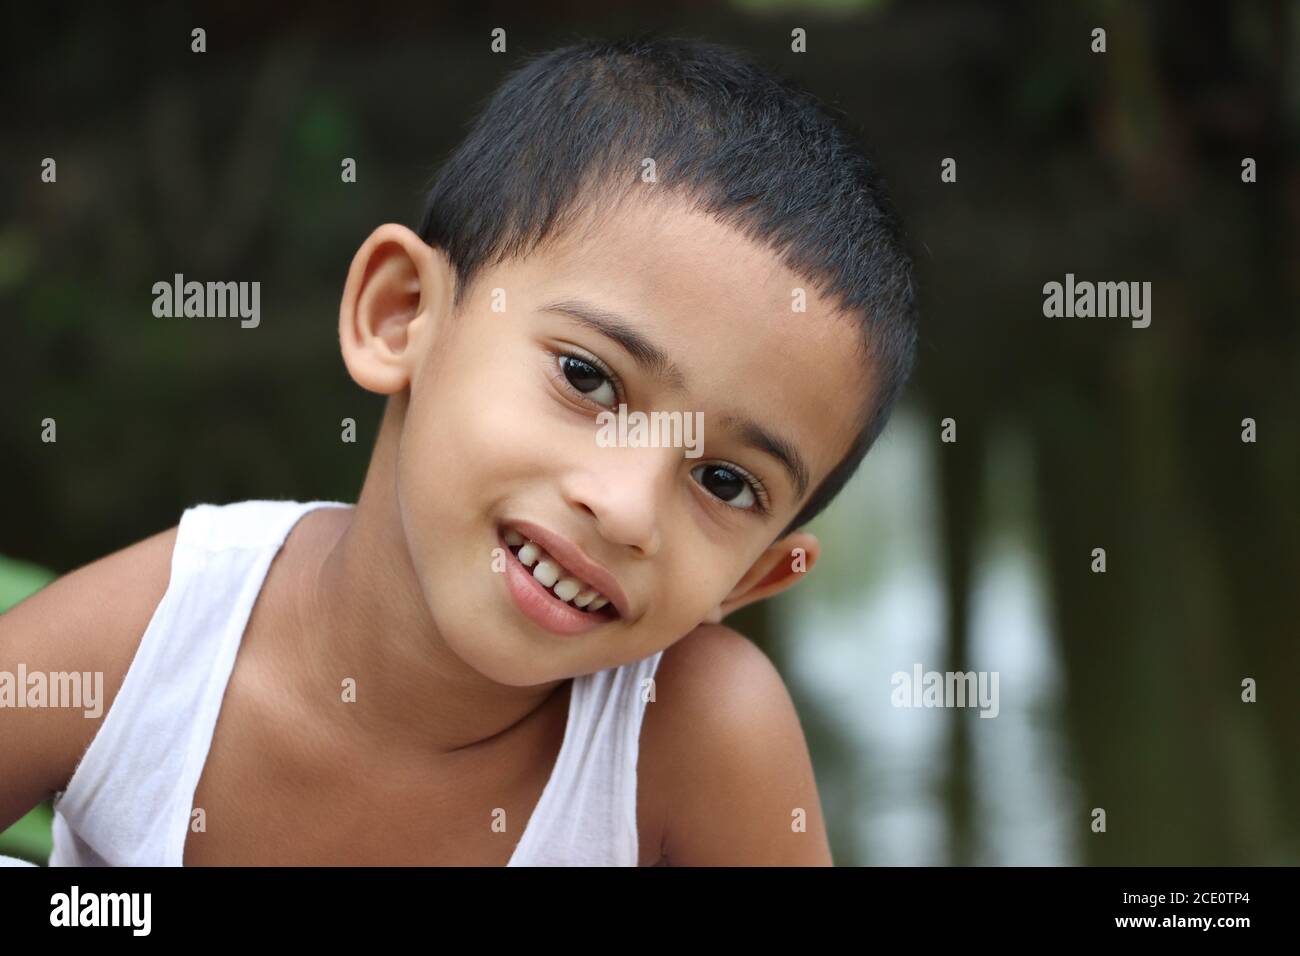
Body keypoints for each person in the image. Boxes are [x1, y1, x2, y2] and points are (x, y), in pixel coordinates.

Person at [0, 34, 917, 866]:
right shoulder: (155, 644)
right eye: (588, 380)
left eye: (724, 481)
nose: (626, 507)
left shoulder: (693, 741)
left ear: (752, 578)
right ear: (400, 316)